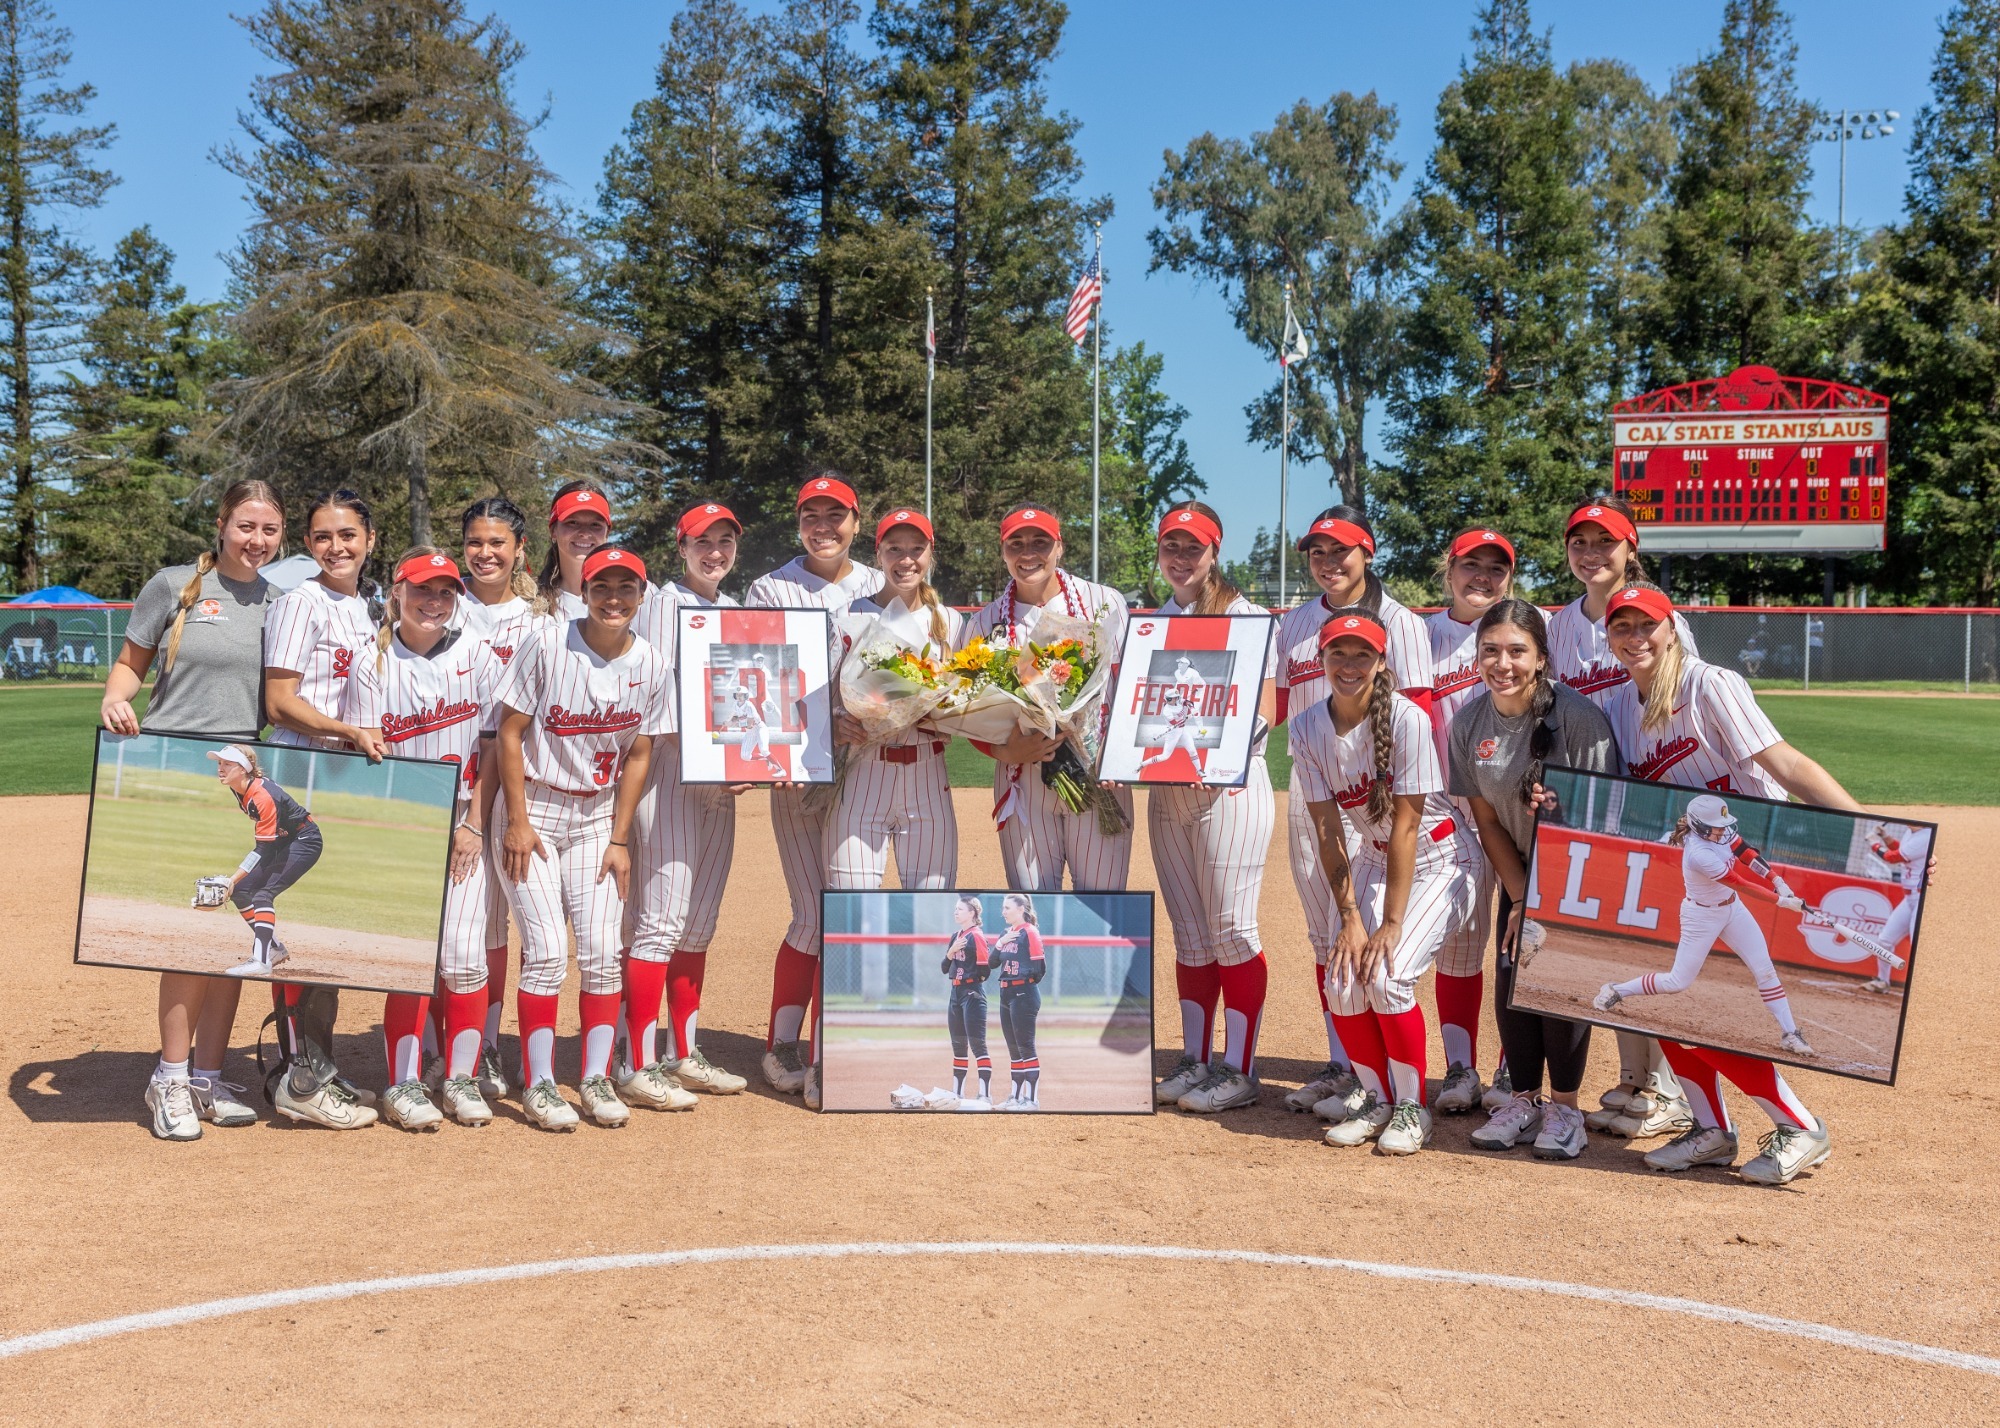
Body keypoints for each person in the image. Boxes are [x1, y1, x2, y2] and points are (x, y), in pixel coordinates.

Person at [1598, 581, 1903, 1185]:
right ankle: (1712, 1129)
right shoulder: (1617, 706)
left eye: (1646, 625)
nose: (1635, 638)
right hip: (1711, 875)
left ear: (1672, 626)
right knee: (1681, 1009)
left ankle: (1799, 1126)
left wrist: (1878, 834)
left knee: (1717, 1012)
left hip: (1749, 846)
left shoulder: (1710, 685)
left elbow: (1784, 764)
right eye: (1621, 627)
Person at [103, 479, 285, 1141]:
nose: (256, 541)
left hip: (243, 778)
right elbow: (130, 663)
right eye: (245, 527)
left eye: (268, 530)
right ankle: (170, 1078)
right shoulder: (176, 586)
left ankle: (207, 1076)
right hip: (178, 771)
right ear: (221, 524)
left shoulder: (281, 602)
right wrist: (112, 700)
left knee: (233, 933)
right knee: (191, 931)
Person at [493, 546, 672, 1130]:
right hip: (536, 810)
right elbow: (510, 734)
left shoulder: (652, 663)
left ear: (642, 596)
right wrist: (516, 820)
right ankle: (542, 1084)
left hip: (597, 817)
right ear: (585, 590)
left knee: (602, 956)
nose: (614, 598)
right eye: (602, 586)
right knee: (546, 954)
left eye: (626, 587)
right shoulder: (546, 642)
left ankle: (594, 1078)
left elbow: (640, 752)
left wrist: (620, 839)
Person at [1288, 610, 1476, 1156]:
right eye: (1338, 653)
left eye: (1361, 654)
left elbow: (1407, 825)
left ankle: (1413, 1107)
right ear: (1319, 659)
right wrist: (1349, 918)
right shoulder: (1306, 728)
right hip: (1373, 859)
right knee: (1343, 979)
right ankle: (1377, 1098)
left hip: (1441, 854)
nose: (1349, 665)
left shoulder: (1408, 719)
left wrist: (1390, 924)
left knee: (1387, 975)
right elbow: (1328, 830)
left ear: (1381, 660)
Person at [1272, 507, 1438, 1119]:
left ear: (1367, 553)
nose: (1329, 561)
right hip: (1316, 784)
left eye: (1340, 550)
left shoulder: (1401, 623)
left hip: (1379, 788)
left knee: (1384, 945)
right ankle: (1345, 1063)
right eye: (1317, 551)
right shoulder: (1292, 624)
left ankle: (1397, 1081)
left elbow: (1417, 715)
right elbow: (1274, 707)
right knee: (1330, 932)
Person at [1545, 497, 1698, 1138]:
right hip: (1591, 798)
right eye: (1579, 541)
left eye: (1603, 542)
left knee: (1652, 940)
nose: (1590, 553)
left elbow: (1680, 697)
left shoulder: (1660, 616)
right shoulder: (1558, 624)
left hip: (1650, 794)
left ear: (1629, 549)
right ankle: (1636, 1078)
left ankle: (1665, 1087)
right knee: (1614, 939)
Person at [1448, 599, 1622, 1160]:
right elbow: (1489, 820)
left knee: (1557, 987)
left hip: (1581, 871)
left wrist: (1547, 898)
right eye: (1491, 650)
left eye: (1517, 651)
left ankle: (1566, 1110)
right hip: (1521, 871)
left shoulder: (1577, 719)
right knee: (1511, 980)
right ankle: (1524, 1100)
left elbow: (1606, 819)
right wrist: (1523, 898)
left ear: (1542, 658)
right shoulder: (1469, 723)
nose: (1503, 663)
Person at [345, 548, 506, 1129]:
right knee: (410, 959)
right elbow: (367, 754)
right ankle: (402, 1084)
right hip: (402, 827)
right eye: (421, 590)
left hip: (462, 821)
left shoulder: (478, 654)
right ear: (396, 592)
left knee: (464, 958)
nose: (433, 602)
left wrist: (473, 824)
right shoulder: (371, 663)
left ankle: (459, 1077)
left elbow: (492, 748)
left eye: (444, 591)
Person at [746, 473, 884, 1105]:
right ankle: (782, 1045)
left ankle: (835, 1048)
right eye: (811, 514)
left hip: (866, 769)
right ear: (797, 520)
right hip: (798, 767)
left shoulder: (880, 585)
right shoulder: (770, 586)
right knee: (812, 911)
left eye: (837, 515)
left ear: (858, 521)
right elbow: (750, 670)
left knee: (843, 909)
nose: (823, 525)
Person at [1144, 503, 1277, 1116]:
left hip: (1229, 791)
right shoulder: (1147, 623)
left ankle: (1239, 1068)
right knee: (1192, 937)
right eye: (1171, 546)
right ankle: (1196, 1060)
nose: (1181, 558)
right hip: (1168, 793)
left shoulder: (1247, 618)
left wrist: (1213, 750)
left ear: (1214, 552)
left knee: (1232, 931)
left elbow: (1266, 711)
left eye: (1192, 547)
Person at [261, 490, 387, 1132]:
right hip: (300, 766)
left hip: (336, 769)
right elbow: (280, 701)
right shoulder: (299, 602)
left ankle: (318, 1066)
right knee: (305, 927)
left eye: (347, 534)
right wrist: (347, 731)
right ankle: (298, 1078)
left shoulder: (365, 607)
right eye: (320, 536)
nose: (335, 547)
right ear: (306, 545)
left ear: (369, 536)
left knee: (329, 921)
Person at [621, 501, 753, 1100]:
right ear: (681, 547)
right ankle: (636, 1059)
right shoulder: (657, 604)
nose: (715, 551)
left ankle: (682, 1050)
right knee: (660, 921)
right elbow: (644, 696)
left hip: (720, 784)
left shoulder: (738, 609)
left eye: (725, 540)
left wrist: (752, 756)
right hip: (669, 773)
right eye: (703, 541)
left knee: (698, 925)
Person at [962, 504, 1132, 891]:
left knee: (1103, 904)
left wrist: (1114, 755)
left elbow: (1129, 687)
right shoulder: (984, 622)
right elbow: (970, 712)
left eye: (1040, 542)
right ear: (1003, 551)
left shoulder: (1105, 603)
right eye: (1015, 544)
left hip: (1096, 776)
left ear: (1060, 547)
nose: (1028, 553)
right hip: (1023, 777)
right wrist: (1006, 753)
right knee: (1032, 908)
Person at [1593, 793, 1817, 1060]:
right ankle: (1616, 989)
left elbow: (1745, 852)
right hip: (1701, 916)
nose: (1722, 830)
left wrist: (1776, 879)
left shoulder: (1721, 832)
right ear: (1699, 825)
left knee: (1765, 970)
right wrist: (1781, 901)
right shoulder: (1699, 854)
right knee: (1678, 981)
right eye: (1716, 826)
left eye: (1723, 825)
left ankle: (1790, 1034)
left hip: (1733, 909)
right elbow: (1739, 883)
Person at [1423, 527, 1518, 1115]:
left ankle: (1514, 1066)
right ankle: (1461, 1067)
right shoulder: (1419, 634)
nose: (1481, 576)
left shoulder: (1521, 629)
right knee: (1457, 945)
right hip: (1444, 811)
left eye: (1495, 567)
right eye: (1469, 564)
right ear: (1449, 569)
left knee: (1514, 942)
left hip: (1508, 813)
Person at [827, 507, 964, 894]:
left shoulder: (951, 622)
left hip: (928, 776)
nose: (906, 560)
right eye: (894, 549)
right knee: (850, 911)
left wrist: (949, 714)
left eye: (916, 549)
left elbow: (963, 702)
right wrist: (834, 721)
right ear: (878, 554)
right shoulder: (847, 615)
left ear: (930, 553)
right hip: (862, 771)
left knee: (932, 912)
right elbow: (822, 696)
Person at [455, 496, 541, 1103]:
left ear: (519, 551)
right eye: (475, 543)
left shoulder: (537, 621)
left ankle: (484, 1042)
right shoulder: (441, 603)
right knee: (458, 919)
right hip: (449, 773)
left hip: (510, 778)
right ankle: (447, 1044)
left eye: (498, 543)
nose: (486, 554)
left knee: (494, 918)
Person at [203, 746, 323, 980]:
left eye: (227, 764)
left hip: (304, 840)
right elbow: (267, 843)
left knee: (262, 894)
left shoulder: (262, 795)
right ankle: (275, 949)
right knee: (241, 891)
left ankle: (261, 961)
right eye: (219, 763)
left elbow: (263, 848)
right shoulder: (239, 788)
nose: (220, 768)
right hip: (285, 840)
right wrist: (235, 883)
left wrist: (231, 878)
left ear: (243, 768)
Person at [990, 893, 1049, 1111]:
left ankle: (1031, 1100)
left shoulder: (1030, 932)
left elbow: (1039, 968)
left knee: (1026, 1047)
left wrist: (1024, 982)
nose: (1003, 912)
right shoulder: (1006, 933)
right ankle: (1015, 1098)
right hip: (1006, 994)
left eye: (1007, 908)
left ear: (1021, 909)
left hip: (1024, 993)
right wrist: (1000, 943)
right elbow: (991, 963)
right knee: (1014, 1050)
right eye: (1003, 908)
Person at [1862, 821, 1930, 993]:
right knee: (1884, 940)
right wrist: (1885, 837)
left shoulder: (1927, 834)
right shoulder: (1912, 832)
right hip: (1909, 899)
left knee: (1919, 947)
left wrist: (1873, 843)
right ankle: (1882, 982)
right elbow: (1901, 849)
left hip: (1922, 899)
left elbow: (1893, 857)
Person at [941, 894, 995, 1108]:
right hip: (955, 994)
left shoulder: (977, 936)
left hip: (972, 993)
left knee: (977, 1045)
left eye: (960, 909)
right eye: (955, 909)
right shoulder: (956, 936)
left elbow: (985, 970)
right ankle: (957, 1093)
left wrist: (970, 982)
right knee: (958, 1046)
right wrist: (952, 951)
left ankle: (985, 1094)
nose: (956, 912)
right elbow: (945, 968)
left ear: (972, 913)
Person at [532, 483, 615, 621]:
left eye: (595, 525)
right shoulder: (528, 597)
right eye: (573, 522)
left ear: (607, 532)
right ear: (553, 530)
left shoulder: (636, 594)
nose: (584, 533)